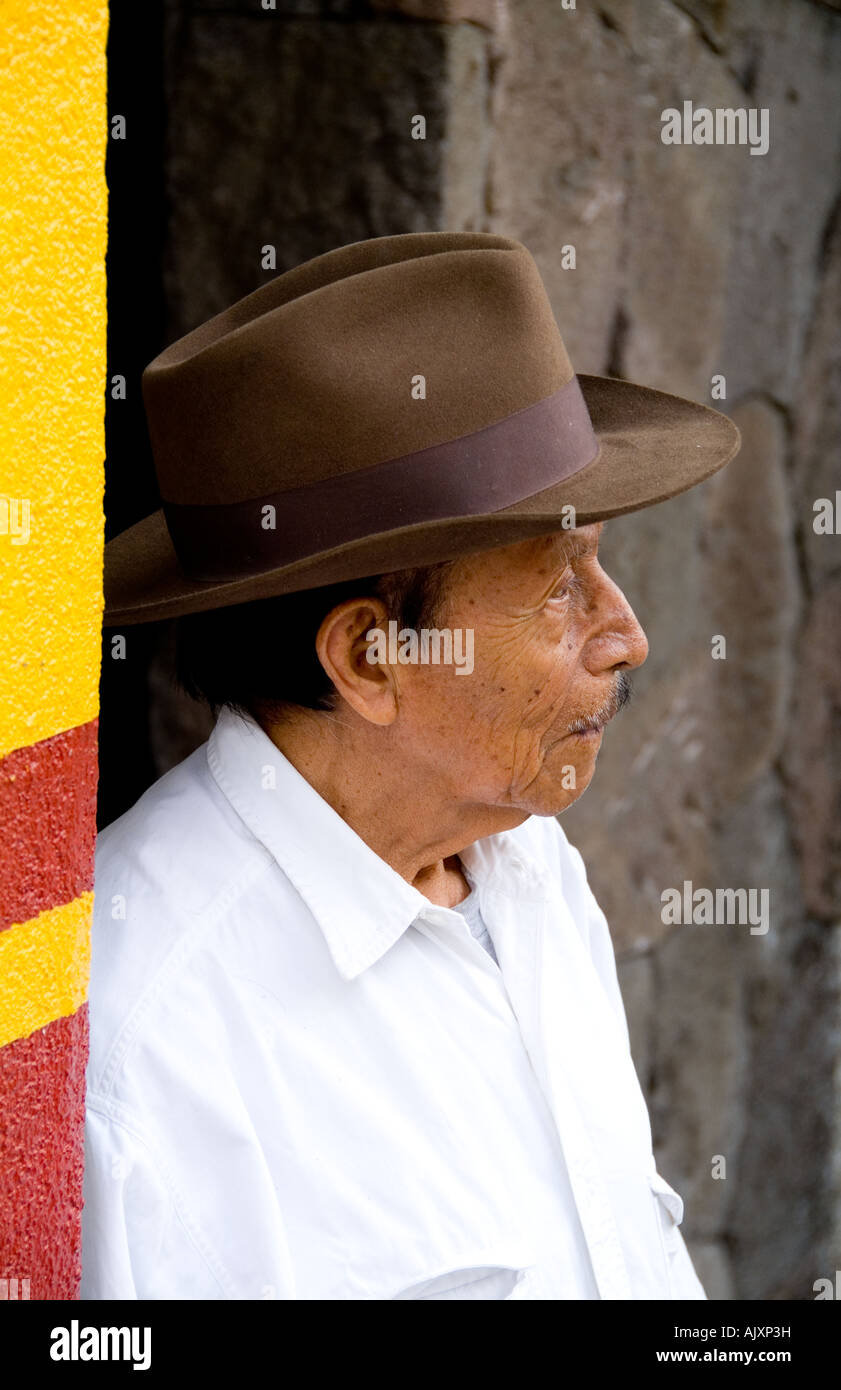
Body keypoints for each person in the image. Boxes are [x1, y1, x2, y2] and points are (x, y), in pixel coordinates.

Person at [82, 231, 740, 1299]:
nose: (625, 635)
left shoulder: (531, 871)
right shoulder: (137, 1039)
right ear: (370, 657)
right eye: (557, 581)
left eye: (599, 563)